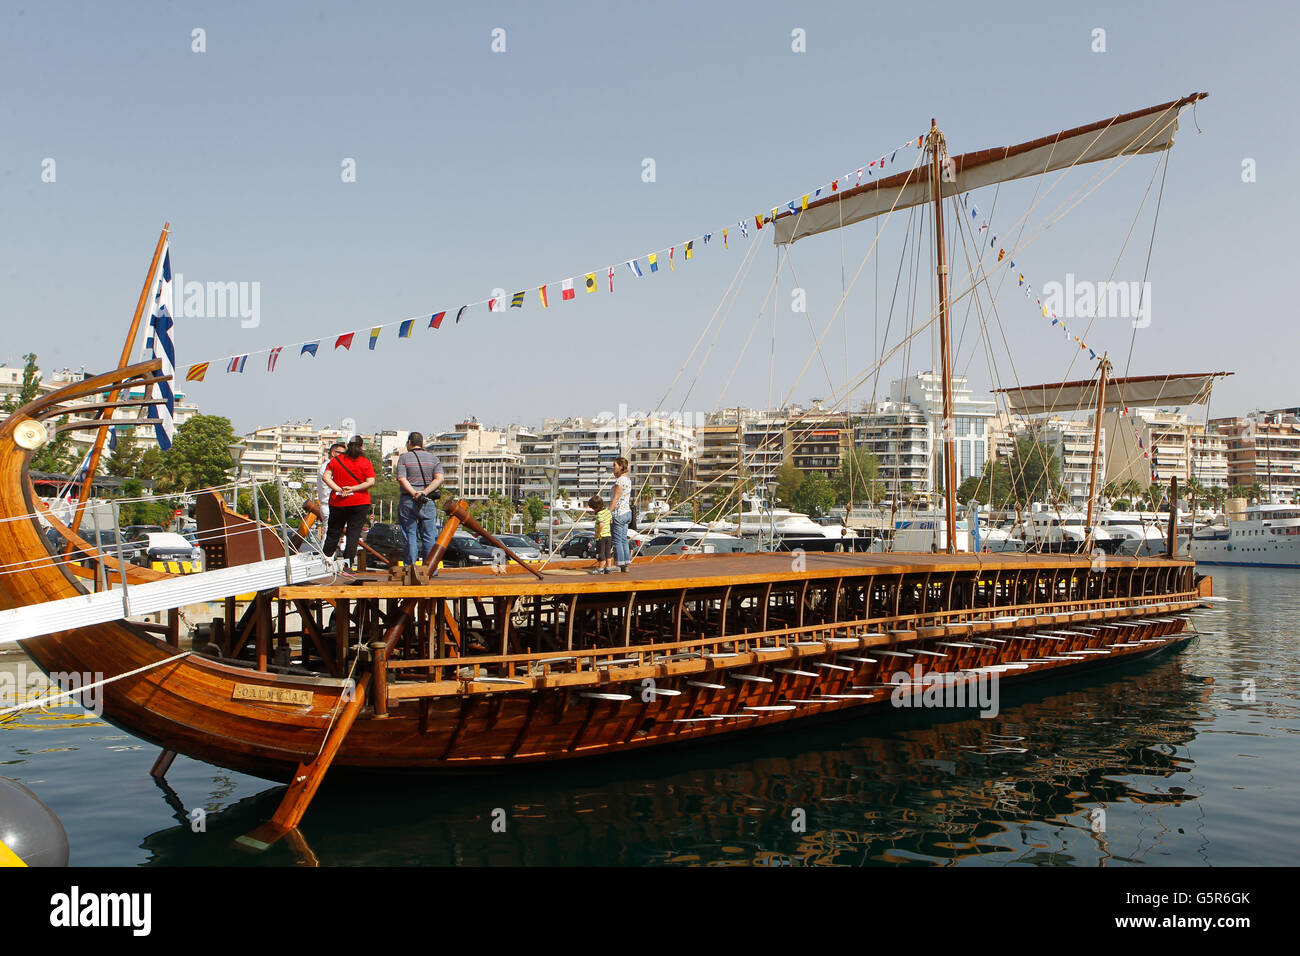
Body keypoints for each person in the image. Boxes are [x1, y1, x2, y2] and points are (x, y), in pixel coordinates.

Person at [321, 436, 376, 573]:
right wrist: (353, 488)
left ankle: (324, 564)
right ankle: (348, 567)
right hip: (359, 502)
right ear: (362, 447)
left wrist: (338, 489)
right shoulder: (365, 462)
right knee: (353, 535)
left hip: (338, 502)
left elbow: (326, 477)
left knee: (333, 533)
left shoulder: (336, 460)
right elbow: (370, 482)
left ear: (348, 446)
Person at [395, 432, 444, 566]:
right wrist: (425, 492)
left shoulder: (404, 458)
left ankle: (411, 567)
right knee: (429, 536)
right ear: (422, 443)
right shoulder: (433, 459)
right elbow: (439, 478)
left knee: (410, 534)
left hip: (408, 500)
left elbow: (401, 478)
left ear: (409, 443)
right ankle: (430, 568)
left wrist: (414, 493)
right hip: (427, 501)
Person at [316, 441, 346, 532]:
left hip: (332, 504)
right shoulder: (328, 466)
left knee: (333, 534)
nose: (344, 456)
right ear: (333, 453)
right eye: (341, 453)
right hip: (330, 505)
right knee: (329, 533)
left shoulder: (329, 466)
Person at [609, 456, 633, 572]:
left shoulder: (619, 481)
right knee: (623, 539)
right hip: (627, 512)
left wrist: (608, 513)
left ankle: (618, 564)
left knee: (617, 540)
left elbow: (615, 499)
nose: (613, 468)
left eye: (615, 465)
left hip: (619, 513)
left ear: (621, 467)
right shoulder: (627, 480)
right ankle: (625, 563)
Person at [589, 495, 612, 573]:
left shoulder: (599, 514)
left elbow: (601, 524)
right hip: (608, 535)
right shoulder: (608, 511)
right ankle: (608, 568)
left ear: (596, 507)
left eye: (593, 508)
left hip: (601, 537)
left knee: (601, 552)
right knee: (608, 552)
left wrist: (597, 534)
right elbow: (611, 521)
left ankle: (601, 568)